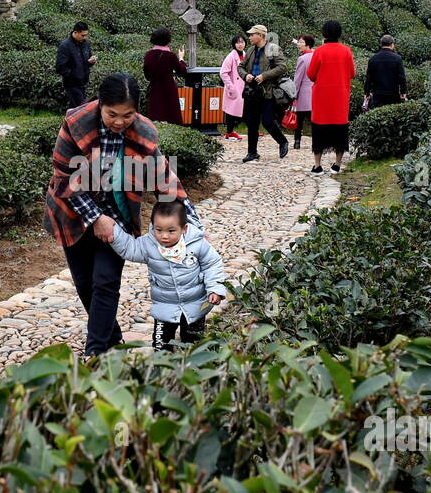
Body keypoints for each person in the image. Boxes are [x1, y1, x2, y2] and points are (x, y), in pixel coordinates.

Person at [43, 73, 201, 357]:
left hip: (117, 218)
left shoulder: (143, 133)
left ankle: (95, 354)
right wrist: (96, 218)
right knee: (85, 285)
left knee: (106, 282)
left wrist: (194, 225)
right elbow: (64, 178)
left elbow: (165, 178)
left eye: (127, 115)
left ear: (136, 110)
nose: (119, 122)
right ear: (100, 104)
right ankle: (112, 339)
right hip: (73, 214)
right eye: (111, 114)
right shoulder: (75, 124)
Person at [107, 200, 225, 352]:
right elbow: (130, 248)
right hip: (164, 307)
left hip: (194, 304)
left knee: (194, 344)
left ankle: (193, 370)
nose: (164, 236)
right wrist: (114, 231)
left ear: (184, 229)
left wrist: (215, 288)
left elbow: (212, 264)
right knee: (161, 345)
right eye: (159, 230)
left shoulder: (196, 242)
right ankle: (162, 370)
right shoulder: (148, 244)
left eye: (171, 231)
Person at [305, 19, 356, 175]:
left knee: (319, 129)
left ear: (324, 33)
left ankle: (317, 165)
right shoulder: (346, 51)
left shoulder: (319, 51)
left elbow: (311, 74)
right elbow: (352, 73)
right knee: (340, 128)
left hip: (321, 97)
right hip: (340, 97)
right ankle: (337, 164)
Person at [237, 24, 290, 163]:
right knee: (251, 123)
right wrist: (245, 75)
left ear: (260, 35)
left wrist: (264, 76)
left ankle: (283, 141)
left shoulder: (274, 49)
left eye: (252, 34)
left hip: (267, 91)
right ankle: (252, 152)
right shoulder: (250, 51)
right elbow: (240, 67)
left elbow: (283, 67)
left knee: (267, 121)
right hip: (251, 91)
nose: (249, 37)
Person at [143, 27, 187, 124]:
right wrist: (181, 58)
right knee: (172, 118)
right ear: (168, 40)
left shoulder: (148, 55)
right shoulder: (171, 56)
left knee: (155, 118)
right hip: (169, 90)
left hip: (154, 90)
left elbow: (147, 76)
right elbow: (182, 71)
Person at [55, 21, 97, 109]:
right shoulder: (65, 46)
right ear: (75, 32)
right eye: (82, 35)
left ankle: (68, 122)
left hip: (83, 82)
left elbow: (86, 60)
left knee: (74, 109)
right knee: (81, 108)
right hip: (72, 84)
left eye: (86, 35)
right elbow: (60, 67)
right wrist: (73, 75)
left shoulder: (86, 44)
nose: (85, 37)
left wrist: (90, 62)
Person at [365, 35, 407, 110]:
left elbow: (368, 78)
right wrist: (403, 92)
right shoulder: (397, 58)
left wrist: (367, 92)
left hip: (378, 94)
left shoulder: (373, 59)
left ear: (381, 45)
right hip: (393, 94)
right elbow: (401, 77)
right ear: (392, 44)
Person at [220, 35, 246, 140]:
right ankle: (229, 132)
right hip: (234, 87)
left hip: (244, 86)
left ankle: (253, 131)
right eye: (238, 42)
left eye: (242, 42)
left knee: (247, 109)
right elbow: (223, 72)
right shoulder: (230, 57)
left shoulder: (245, 55)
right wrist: (231, 86)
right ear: (234, 44)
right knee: (231, 110)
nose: (240, 44)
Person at [291, 34, 315, 150]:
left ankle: (297, 141)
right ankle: (316, 141)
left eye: (301, 42)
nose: (299, 45)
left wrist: (293, 94)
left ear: (307, 44)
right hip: (315, 93)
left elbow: (297, 79)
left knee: (299, 119)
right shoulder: (316, 55)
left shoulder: (302, 59)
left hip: (303, 93)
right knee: (314, 120)